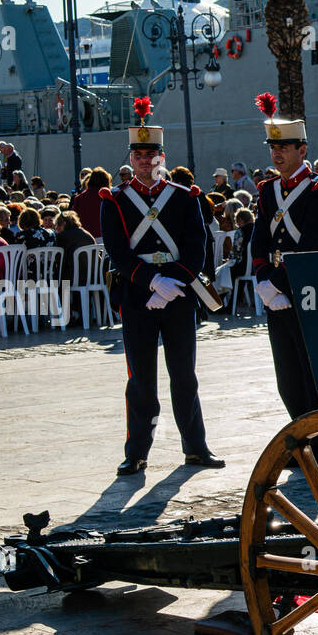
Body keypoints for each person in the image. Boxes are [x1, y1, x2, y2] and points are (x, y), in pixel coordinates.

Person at [99, 99, 223, 475]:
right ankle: (137, 452)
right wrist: (153, 281)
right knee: (141, 380)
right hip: (138, 296)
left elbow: (197, 247)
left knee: (184, 375)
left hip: (180, 294)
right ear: (130, 158)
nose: (144, 160)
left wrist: (174, 282)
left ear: (162, 156)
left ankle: (195, 447)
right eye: (137, 154)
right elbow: (118, 252)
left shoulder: (186, 197)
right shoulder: (115, 200)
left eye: (151, 153)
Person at [249, 94, 318, 467]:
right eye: (273, 147)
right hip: (277, 291)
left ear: (302, 149)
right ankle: (301, 446)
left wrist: (282, 283)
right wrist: (262, 280)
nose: (277, 153)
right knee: (287, 377)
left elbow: (317, 243)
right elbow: (259, 240)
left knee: (312, 375)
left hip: (308, 290)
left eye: (284, 146)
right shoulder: (268, 191)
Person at [54, 209, 95, 288]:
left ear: (63, 224)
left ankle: (64, 300)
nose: (55, 229)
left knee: (51, 278)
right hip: (94, 275)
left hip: (75, 277)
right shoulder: (86, 233)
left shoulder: (63, 236)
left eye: (56, 225)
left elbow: (59, 259)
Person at [71, 165, 108, 237]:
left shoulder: (79, 198)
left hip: (85, 238)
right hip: (104, 236)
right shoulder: (106, 197)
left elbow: (74, 219)